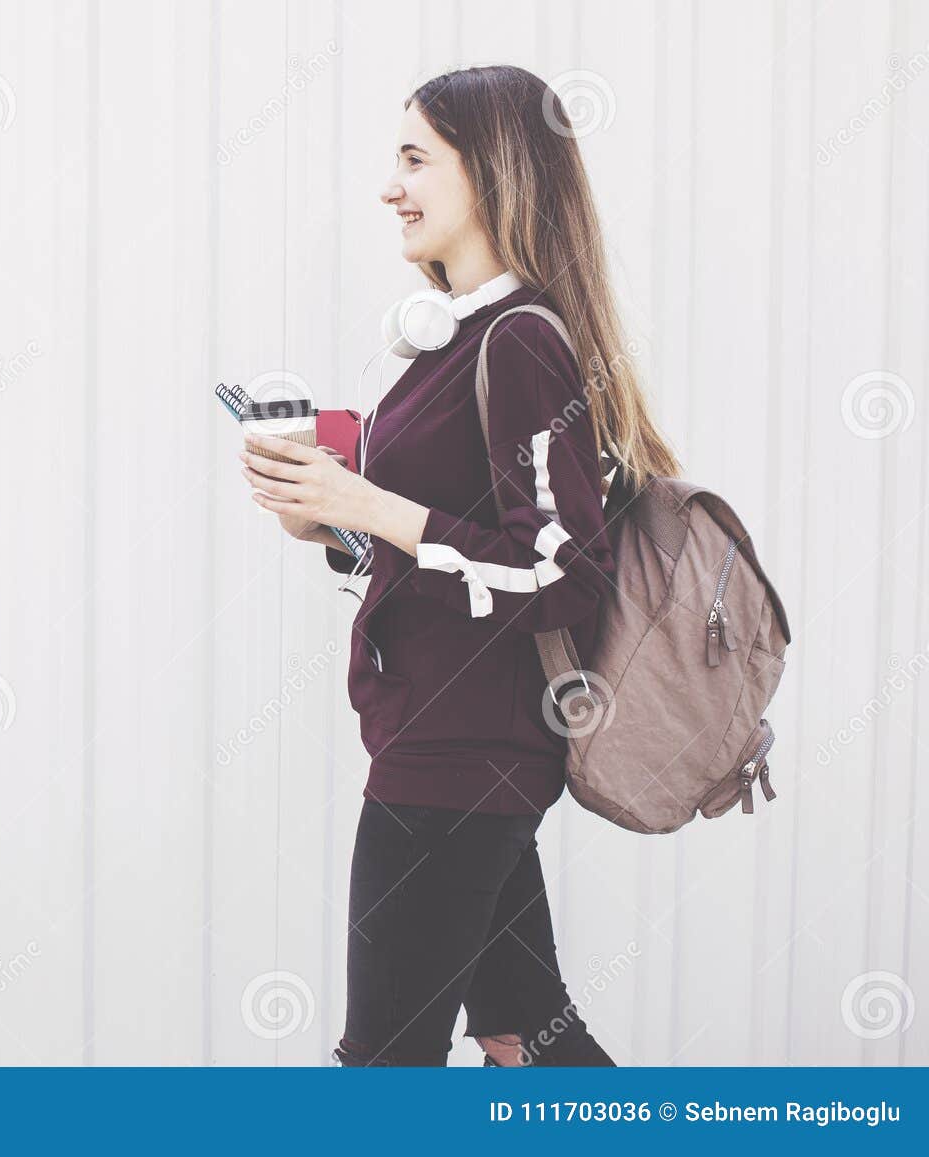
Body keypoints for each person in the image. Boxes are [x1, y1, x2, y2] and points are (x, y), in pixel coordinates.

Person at [237, 64, 681, 1067]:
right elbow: (461, 554)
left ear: (491, 172)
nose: (388, 186)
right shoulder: (457, 340)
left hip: (458, 758)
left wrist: (371, 504)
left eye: (412, 159)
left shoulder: (520, 342)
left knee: (386, 1060)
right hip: (450, 740)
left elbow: (563, 572)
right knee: (529, 1037)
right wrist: (332, 527)